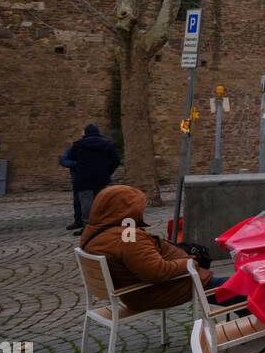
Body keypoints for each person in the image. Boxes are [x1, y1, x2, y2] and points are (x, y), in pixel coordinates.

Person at [79, 185, 214, 313]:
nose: (141, 212)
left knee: (227, 286)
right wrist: (189, 263)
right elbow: (157, 272)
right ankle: (231, 328)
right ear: (124, 210)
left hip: (136, 293)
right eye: (138, 208)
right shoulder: (128, 238)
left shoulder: (92, 231)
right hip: (159, 292)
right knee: (232, 289)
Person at [67, 124, 121, 230]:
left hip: (83, 179)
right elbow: (116, 160)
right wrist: (108, 171)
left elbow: (72, 158)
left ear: (85, 134)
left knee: (86, 204)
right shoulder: (107, 144)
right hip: (102, 178)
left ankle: (88, 227)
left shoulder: (78, 145)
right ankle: (104, 224)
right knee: (103, 202)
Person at [59, 141, 82, 230]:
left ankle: (82, 221)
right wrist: (75, 164)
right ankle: (79, 221)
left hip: (80, 178)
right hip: (79, 178)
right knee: (78, 200)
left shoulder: (100, 144)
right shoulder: (76, 146)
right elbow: (63, 160)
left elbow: (63, 160)